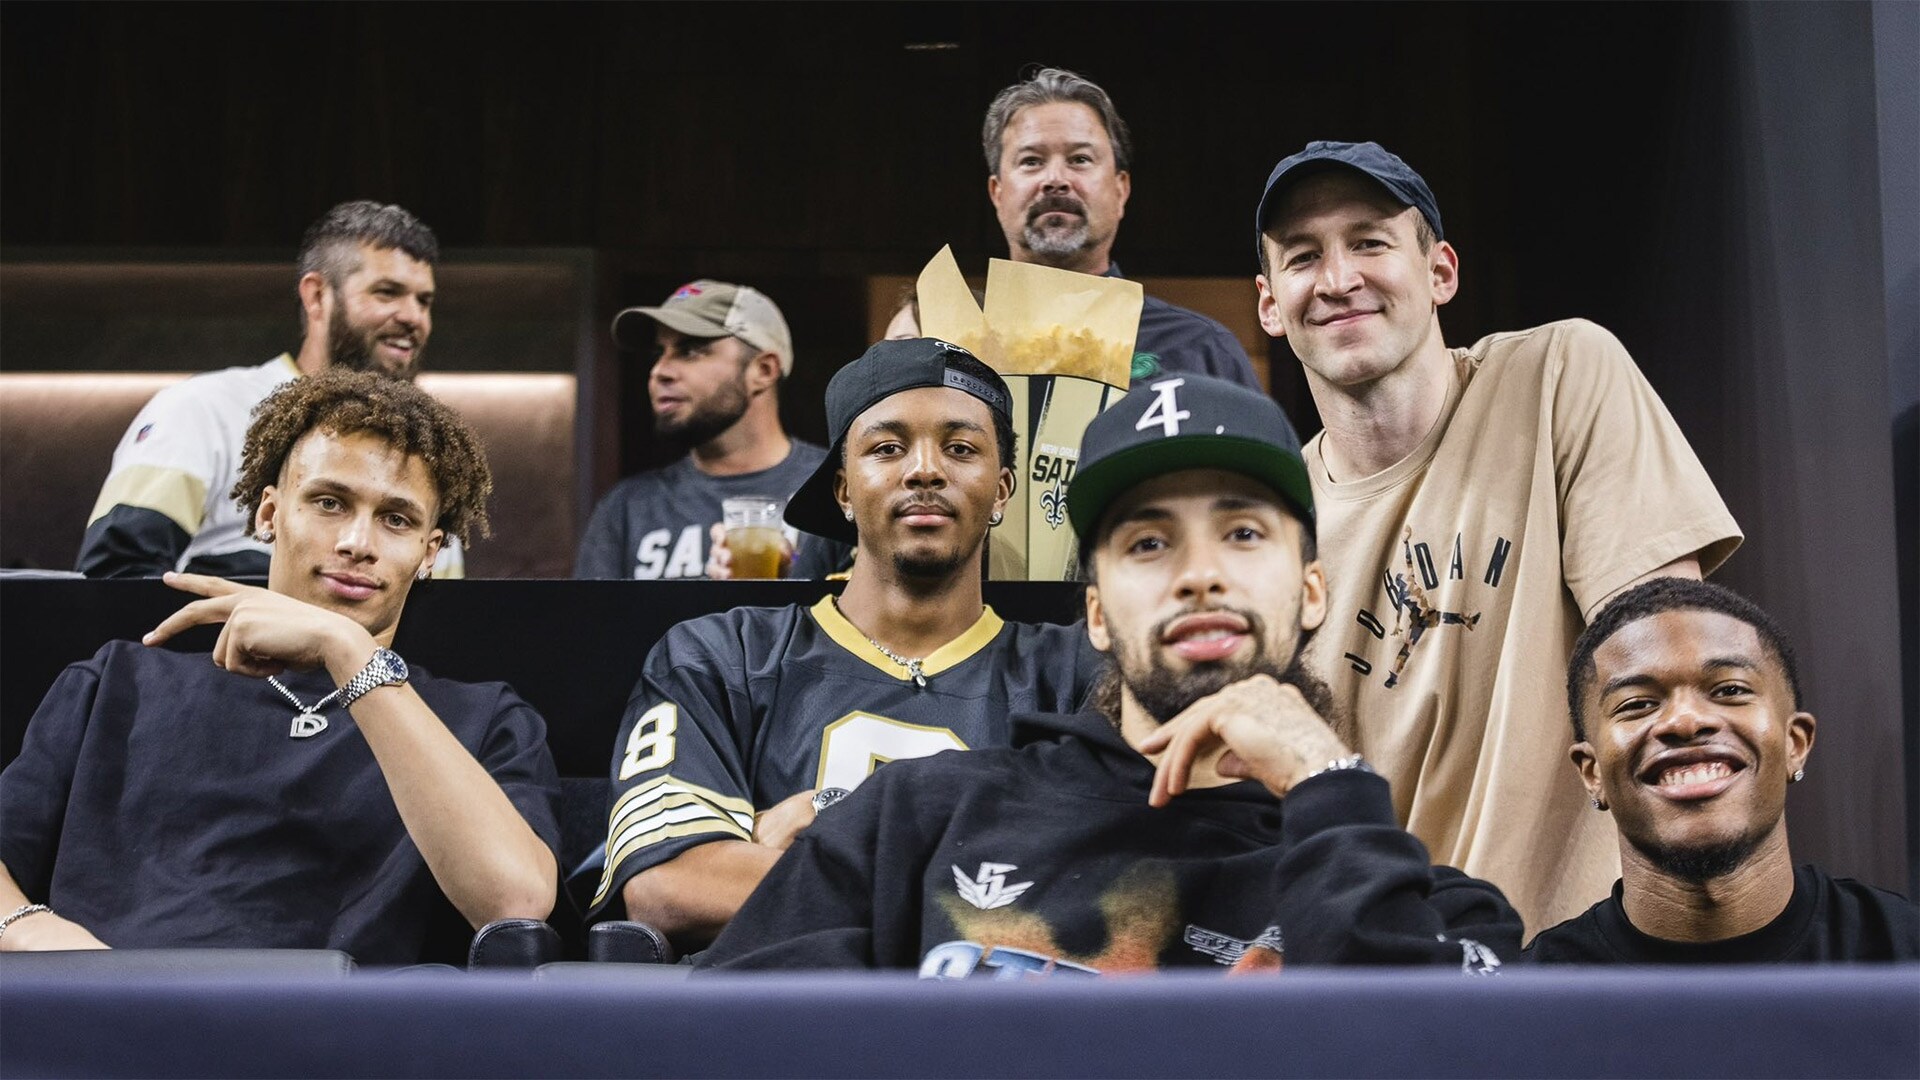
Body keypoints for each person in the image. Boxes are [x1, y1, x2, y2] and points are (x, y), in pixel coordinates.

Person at [700, 374, 1522, 974]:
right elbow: (726, 1052)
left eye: (1241, 534)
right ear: (1096, 614)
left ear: (1312, 592)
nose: (1200, 575)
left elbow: (1431, 1052)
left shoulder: (1434, 907)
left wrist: (1325, 781)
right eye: (1149, 544)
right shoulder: (916, 819)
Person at [1252, 140, 1743, 932]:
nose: (1339, 279)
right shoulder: (1269, 524)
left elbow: (1663, 664)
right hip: (1391, 976)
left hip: (1590, 961)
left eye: (1371, 243)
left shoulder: (1559, 374)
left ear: (1440, 271)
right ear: (1270, 304)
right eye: (1303, 257)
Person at [0, 370, 561, 964]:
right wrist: (25, 926)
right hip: (99, 1020)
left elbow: (514, 903)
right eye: (328, 502)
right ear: (269, 513)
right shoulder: (118, 683)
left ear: (429, 553)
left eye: (396, 519)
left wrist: (347, 652)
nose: (357, 541)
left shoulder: (483, 718)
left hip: (345, 1038)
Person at [587, 339, 1103, 953]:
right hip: (771, 1030)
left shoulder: (1075, 670)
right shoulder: (720, 656)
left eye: (961, 449)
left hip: (994, 1034)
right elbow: (671, 886)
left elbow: (1120, 883)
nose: (925, 470)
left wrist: (824, 837)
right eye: (887, 448)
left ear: (1002, 490)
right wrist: (977, 893)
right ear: (842, 489)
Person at [1527, 578, 1918, 963]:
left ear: (1794, 744)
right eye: (1637, 703)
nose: (1685, 721)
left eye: (1729, 690)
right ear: (1592, 773)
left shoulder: (1903, 955)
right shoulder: (1530, 1003)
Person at [78, 201, 465, 579]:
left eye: (424, 301)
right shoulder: (202, 409)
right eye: (387, 292)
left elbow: (441, 625)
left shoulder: (428, 451)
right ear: (317, 296)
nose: (413, 317)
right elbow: (114, 577)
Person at [982, 67, 1261, 389]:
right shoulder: (948, 347)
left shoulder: (1203, 351)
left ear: (1121, 190)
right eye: (1031, 161)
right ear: (997, 193)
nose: (1055, 179)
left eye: (1080, 159)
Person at [575, 280, 826, 580]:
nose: (660, 372)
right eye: (659, 353)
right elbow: (590, 627)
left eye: (691, 350)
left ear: (764, 370)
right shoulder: (627, 509)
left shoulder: (836, 491)